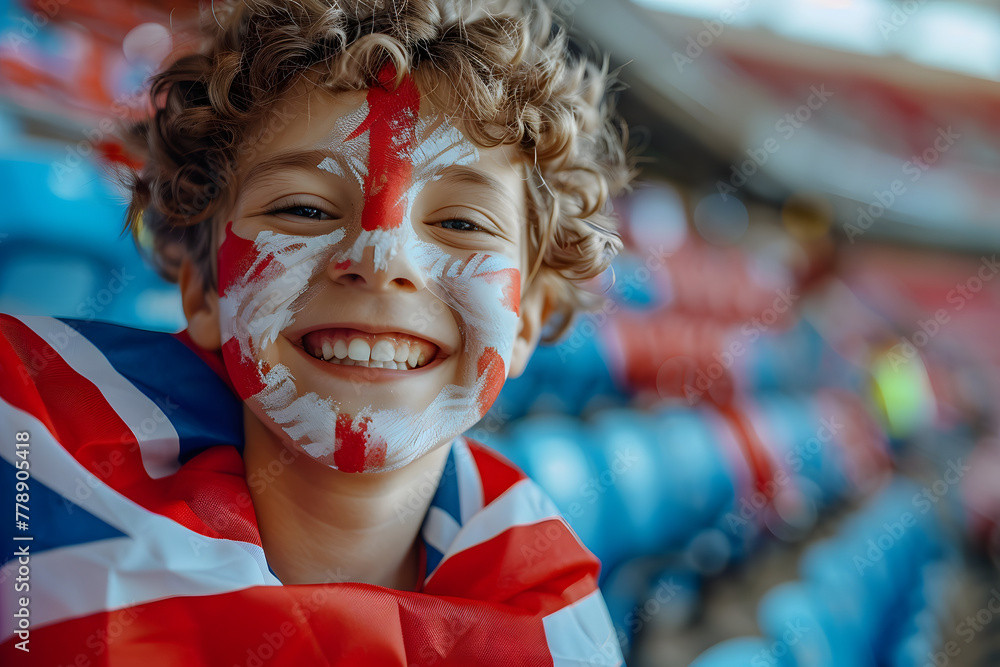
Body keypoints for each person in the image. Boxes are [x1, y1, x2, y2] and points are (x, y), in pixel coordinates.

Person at [0, 0, 632, 663]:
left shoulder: (559, 638)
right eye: (304, 208)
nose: (379, 259)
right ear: (205, 287)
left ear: (526, 316)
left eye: (461, 224)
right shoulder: (28, 469)